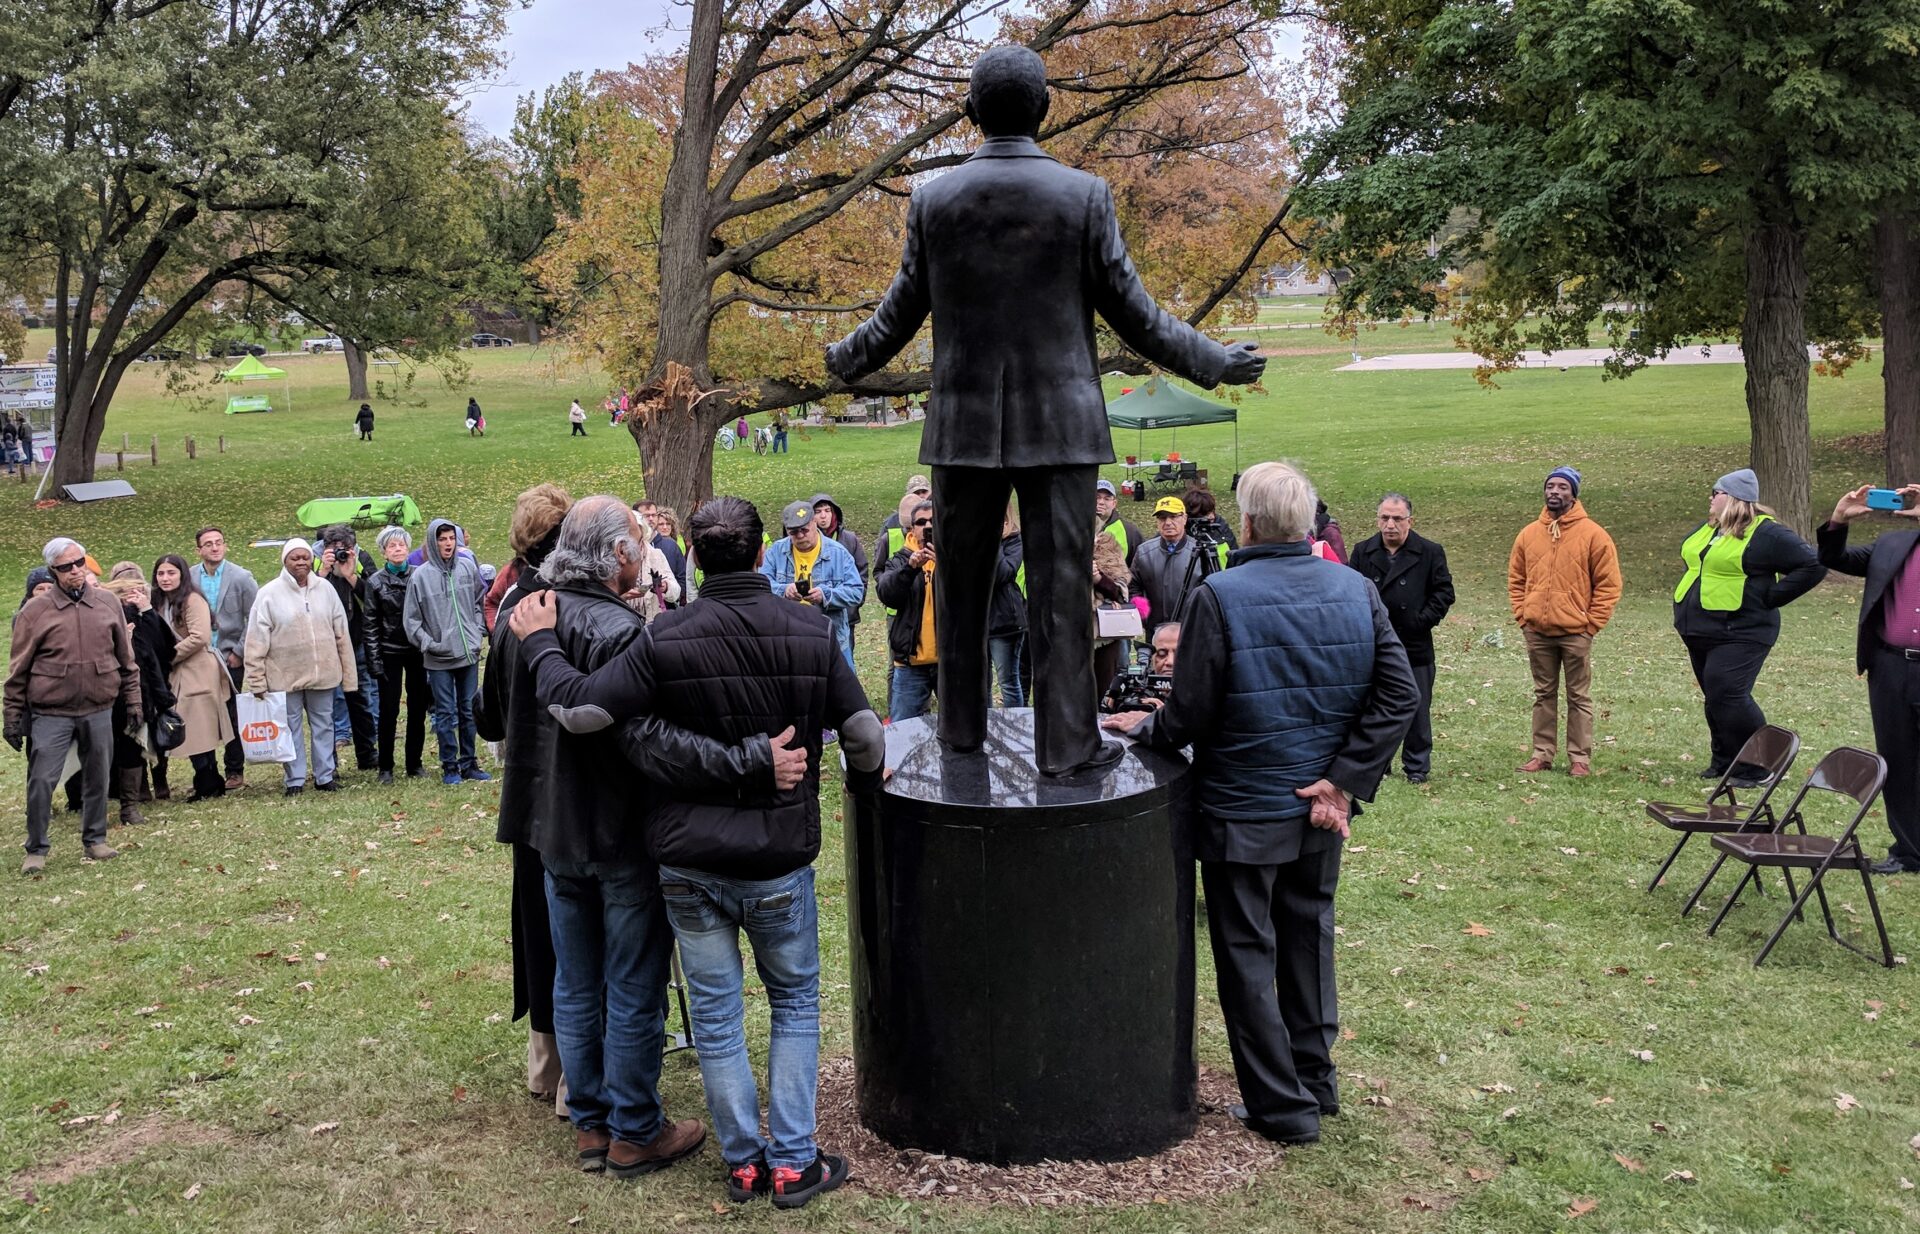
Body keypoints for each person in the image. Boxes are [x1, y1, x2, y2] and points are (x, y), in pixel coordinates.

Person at [824, 46, 1265, 775]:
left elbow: (896, 315)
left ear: (971, 110)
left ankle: (960, 733)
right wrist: (1213, 362)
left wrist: (846, 357)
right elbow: (1138, 315)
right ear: (1045, 110)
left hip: (963, 428)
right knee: (1063, 592)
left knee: (959, 588)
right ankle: (1066, 744)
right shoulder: (1082, 195)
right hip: (1061, 426)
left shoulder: (934, 199)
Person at [510, 494, 884, 1209]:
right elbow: (864, 735)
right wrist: (865, 781)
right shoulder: (808, 630)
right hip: (775, 858)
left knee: (715, 1014)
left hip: (686, 864)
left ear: (697, 561)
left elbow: (583, 708)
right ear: (757, 555)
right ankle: (792, 1160)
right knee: (795, 1003)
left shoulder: (664, 636)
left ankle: (745, 1160)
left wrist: (541, 645)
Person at [1102, 461, 1418, 1147]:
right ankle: (1313, 1079)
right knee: (1306, 940)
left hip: (1248, 807)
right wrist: (1341, 779)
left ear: (1246, 523)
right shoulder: (1355, 588)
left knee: (1249, 953)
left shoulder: (1221, 595)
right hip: (1315, 807)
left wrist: (1143, 726)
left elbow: (1189, 711)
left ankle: (1286, 1104)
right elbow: (1398, 697)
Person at [487, 495, 796, 1176]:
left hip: (551, 831)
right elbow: (651, 743)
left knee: (577, 979)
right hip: (616, 831)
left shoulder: (521, 616)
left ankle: (593, 1123)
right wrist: (748, 760)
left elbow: (494, 714)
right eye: (636, 538)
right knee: (628, 981)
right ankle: (631, 1128)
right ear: (615, 555)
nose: (643, 547)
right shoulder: (619, 632)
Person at [1672, 468, 1825, 786]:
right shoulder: (1712, 528)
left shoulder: (1766, 533)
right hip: (1701, 629)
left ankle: (1761, 766)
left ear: (1734, 498)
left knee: (1729, 693)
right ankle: (1725, 761)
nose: (1711, 498)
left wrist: (1774, 596)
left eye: (1716, 493)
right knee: (1715, 696)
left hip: (1743, 631)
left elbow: (1813, 564)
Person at [7, 538, 142, 872]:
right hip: (52, 712)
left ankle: (95, 841)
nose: (75, 571)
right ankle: (36, 849)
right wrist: (11, 717)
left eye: (79, 562)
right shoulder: (34, 612)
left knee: (97, 779)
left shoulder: (108, 603)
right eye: (66, 567)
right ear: (54, 571)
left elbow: (127, 660)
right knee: (41, 781)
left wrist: (134, 700)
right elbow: (17, 669)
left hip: (99, 707)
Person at [1818, 481, 1920, 874]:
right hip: (1891, 668)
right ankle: (1910, 851)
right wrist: (1838, 520)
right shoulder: (1892, 545)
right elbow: (1834, 557)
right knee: (1898, 758)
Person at [1509, 466, 1622, 778]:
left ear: (1574, 494)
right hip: (1537, 631)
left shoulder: (1594, 535)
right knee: (1543, 694)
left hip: (1576, 632)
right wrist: (1523, 616)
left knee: (1579, 697)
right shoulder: (1528, 534)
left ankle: (1579, 758)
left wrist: (1591, 626)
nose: (1554, 492)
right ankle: (1542, 754)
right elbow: (1516, 579)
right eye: (1550, 486)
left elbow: (1609, 585)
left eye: (1562, 487)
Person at [1350, 493, 1457, 784]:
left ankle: (1417, 766)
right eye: (1384, 518)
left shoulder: (1430, 551)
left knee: (1417, 706)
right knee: (1374, 706)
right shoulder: (1363, 551)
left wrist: (1421, 621)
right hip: (1375, 642)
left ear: (1410, 520)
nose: (1390, 524)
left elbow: (1444, 593)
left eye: (1397, 518)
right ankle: (1377, 762)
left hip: (1414, 643)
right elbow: (1352, 593)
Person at [243, 540, 356, 796]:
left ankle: (324, 776)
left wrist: (348, 676)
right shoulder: (268, 593)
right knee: (290, 727)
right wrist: (257, 680)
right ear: (285, 561)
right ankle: (294, 779)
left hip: (323, 674)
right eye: (295, 558)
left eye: (305, 557)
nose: (301, 562)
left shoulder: (325, 589)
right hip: (285, 676)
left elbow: (341, 633)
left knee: (324, 726)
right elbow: (256, 640)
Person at [405, 518, 489, 785]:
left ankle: (469, 762)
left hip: (468, 653)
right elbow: (412, 620)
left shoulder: (467, 568)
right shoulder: (420, 576)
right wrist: (430, 644)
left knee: (468, 710)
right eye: (442, 539)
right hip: (438, 658)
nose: (448, 544)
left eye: (451, 538)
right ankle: (449, 765)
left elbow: (479, 601)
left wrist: (476, 631)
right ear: (433, 542)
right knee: (445, 713)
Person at [150, 554, 237, 802]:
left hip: (198, 670)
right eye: (161, 574)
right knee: (191, 726)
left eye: (171, 573)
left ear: (182, 575)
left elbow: (200, 637)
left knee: (200, 726)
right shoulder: (158, 602)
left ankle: (208, 780)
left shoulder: (192, 599)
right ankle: (207, 779)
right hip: (176, 672)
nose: (165, 578)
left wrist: (167, 657)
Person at [100, 563, 175, 824]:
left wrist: (146, 610)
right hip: (111, 689)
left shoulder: (145, 614)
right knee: (118, 744)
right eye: (125, 590)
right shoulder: (106, 612)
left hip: (145, 688)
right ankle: (129, 793)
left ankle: (143, 793)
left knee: (146, 738)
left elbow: (165, 647)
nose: (131, 595)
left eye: (137, 588)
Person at [191, 525, 259, 791]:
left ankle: (235, 769)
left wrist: (240, 652)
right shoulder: (190, 578)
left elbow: (255, 617)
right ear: (199, 550)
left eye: (219, 542)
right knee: (203, 714)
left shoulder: (241, 577)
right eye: (208, 544)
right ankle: (207, 772)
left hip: (230, 656)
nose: (215, 547)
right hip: (200, 657)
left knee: (233, 714)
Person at [761, 499, 864, 668]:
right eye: (794, 532)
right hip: (788, 641)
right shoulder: (775, 553)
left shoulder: (838, 554)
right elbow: (761, 587)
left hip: (832, 641)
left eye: (804, 530)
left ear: (814, 524)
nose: (800, 536)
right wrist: (784, 591)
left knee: (840, 693)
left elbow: (856, 592)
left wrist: (825, 596)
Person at [365, 527, 429, 783]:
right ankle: (386, 767)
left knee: (417, 709)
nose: (398, 549)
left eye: (401, 545)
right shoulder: (375, 582)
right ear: (384, 551)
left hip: (416, 650)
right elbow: (370, 623)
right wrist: (374, 661)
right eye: (392, 546)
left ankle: (414, 762)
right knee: (388, 710)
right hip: (389, 651)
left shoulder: (419, 575)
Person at [317, 525, 380, 772]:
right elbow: (306, 597)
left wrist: (351, 575)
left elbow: (375, 596)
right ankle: (328, 762)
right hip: (325, 643)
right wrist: (323, 571)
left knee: (361, 699)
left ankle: (367, 753)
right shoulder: (314, 563)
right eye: (334, 550)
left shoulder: (361, 559)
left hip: (356, 639)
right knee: (326, 703)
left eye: (345, 549)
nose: (340, 553)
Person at [875, 500, 939, 720]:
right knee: (901, 730)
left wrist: (946, 564)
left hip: (950, 662)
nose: (928, 526)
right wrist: (909, 569)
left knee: (962, 727)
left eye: (933, 520)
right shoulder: (901, 559)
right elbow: (887, 595)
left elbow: (969, 595)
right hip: (910, 664)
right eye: (921, 522)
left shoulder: (955, 557)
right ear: (912, 529)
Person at [1133, 496, 1221, 638]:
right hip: (1155, 631)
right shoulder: (1144, 552)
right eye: (1162, 518)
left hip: (1192, 631)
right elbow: (1133, 586)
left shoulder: (1200, 552)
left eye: (1173, 517)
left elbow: (1213, 589)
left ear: (1184, 519)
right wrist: (1143, 614)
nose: (1168, 522)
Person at [810, 495, 866, 647]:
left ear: (834, 513)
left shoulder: (849, 539)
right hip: (813, 615)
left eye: (827, 510)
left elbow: (862, 573)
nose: (823, 516)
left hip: (845, 613)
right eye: (818, 511)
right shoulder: (804, 542)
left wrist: (853, 607)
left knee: (845, 661)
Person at [990, 505, 1026, 707]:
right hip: (978, 621)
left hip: (1005, 622)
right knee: (981, 682)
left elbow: (1002, 574)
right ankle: (983, 727)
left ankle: (1015, 727)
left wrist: (993, 540)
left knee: (1008, 682)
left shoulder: (1014, 541)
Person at [1096, 478, 1143, 567]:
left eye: (1107, 498)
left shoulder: (1130, 531)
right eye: (1097, 497)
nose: (1101, 502)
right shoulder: (1077, 527)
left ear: (1114, 503)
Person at [1183, 486, 1239, 552]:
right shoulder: (1182, 531)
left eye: (1212, 511)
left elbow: (1234, 551)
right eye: (1205, 514)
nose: (1212, 517)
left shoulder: (1220, 525)